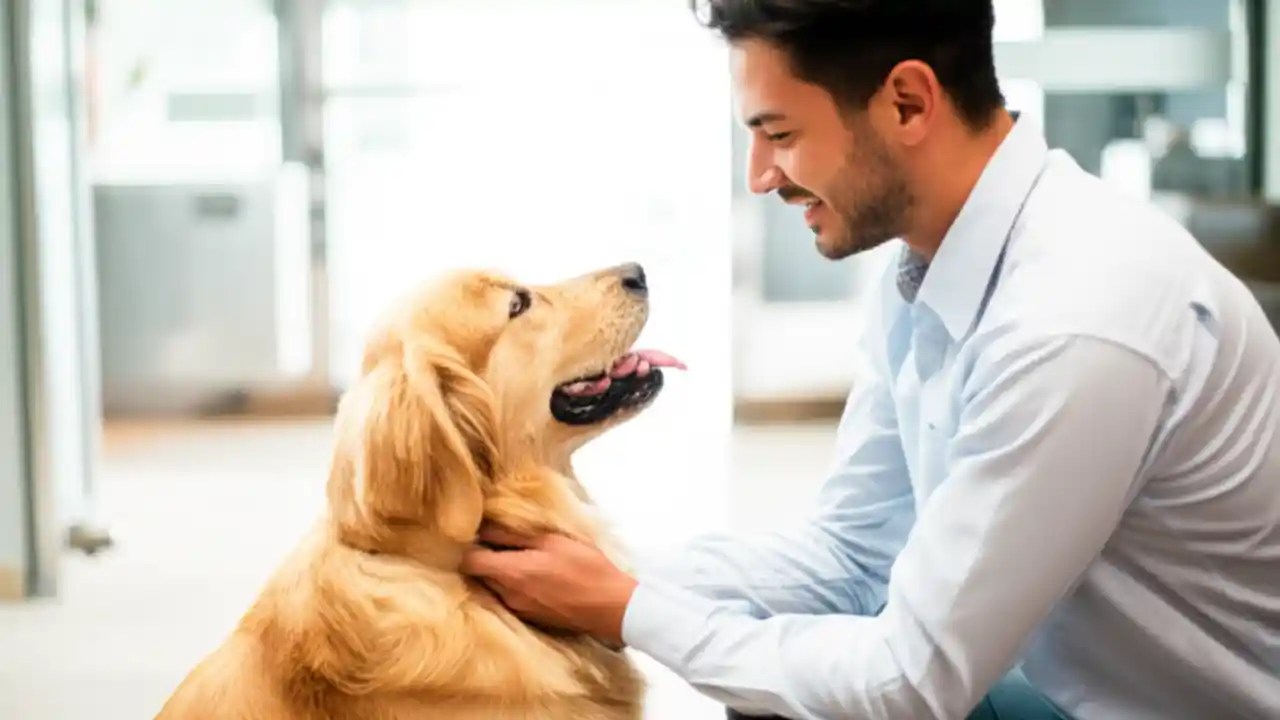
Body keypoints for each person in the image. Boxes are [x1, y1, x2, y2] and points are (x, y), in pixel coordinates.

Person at [460, 1, 1280, 718]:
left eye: (779, 134)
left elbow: (912, 685)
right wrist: (593, 577)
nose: (759, 176)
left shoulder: (1075, 320)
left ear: (908, 102)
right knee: (780, 689)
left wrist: (627, 608)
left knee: (812, 697)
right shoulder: (929, 270)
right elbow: (852, 557)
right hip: (1075, 689)